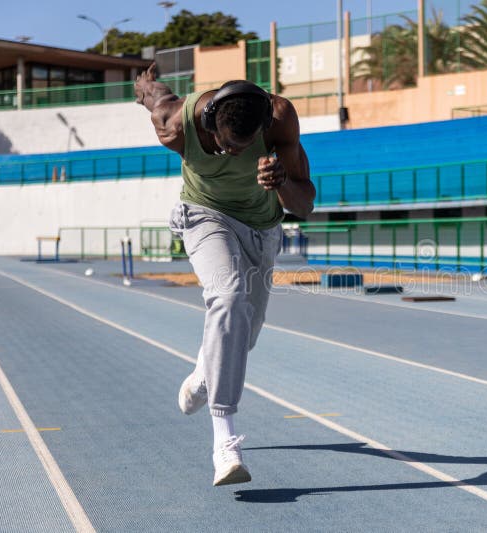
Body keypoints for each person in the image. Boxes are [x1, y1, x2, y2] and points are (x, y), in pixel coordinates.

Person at [134, 63, 315, 486]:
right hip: (203, 215)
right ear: (211, 124)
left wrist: (282, 182)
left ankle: (203, 375)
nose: (237, 151)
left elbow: (304, 204)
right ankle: (225, 444)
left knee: (245, 332)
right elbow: (154, 96)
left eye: (246, 145)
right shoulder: (178, 125)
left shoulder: (279, 118)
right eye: (229, 145)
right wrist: (144, 86)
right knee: (228, 298)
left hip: (263, 228)